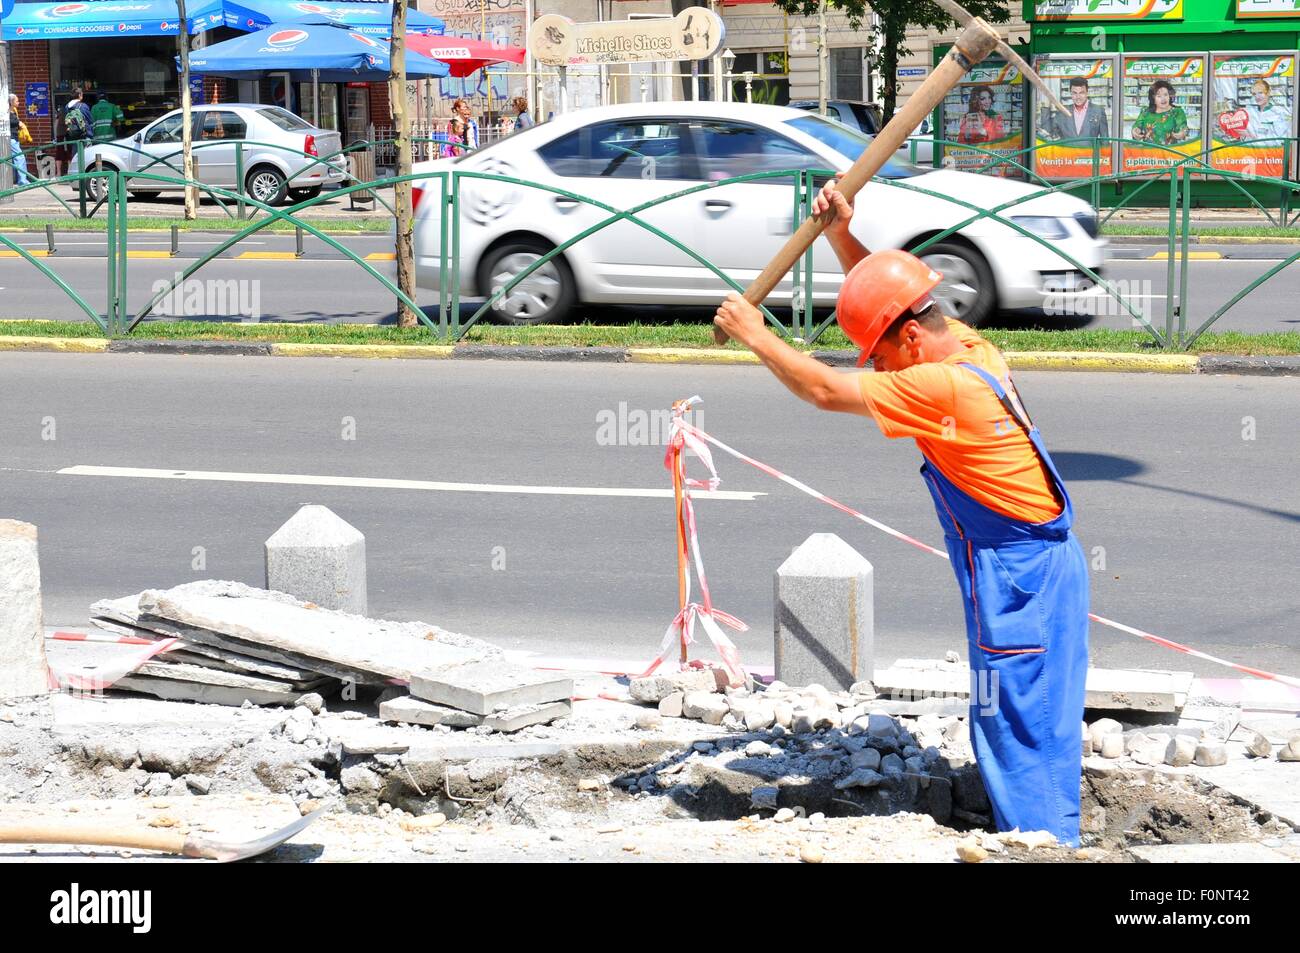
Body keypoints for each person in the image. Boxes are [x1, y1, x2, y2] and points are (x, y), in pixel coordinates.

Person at [711, 178, 1090, 847]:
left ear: (912, 338)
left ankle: (1042, 847)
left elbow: (826, 390)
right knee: (1032, 713)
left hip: (1019, 573)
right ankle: (1040, 831)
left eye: (882, 356)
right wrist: (840, 234)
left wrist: (754, 332)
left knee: (1017, 719)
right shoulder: (965, 347)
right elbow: (888, 299)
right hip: (1036, 564)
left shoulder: (943, 388)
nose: (880, 368)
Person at [1040, 76, 1108, 141]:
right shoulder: (1063, 112)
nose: (1078, 97)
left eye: (1081, 93)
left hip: (1090, 152)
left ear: (1087, 92)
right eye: (1074, 93)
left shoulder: (1098, 111)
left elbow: (1105, 141)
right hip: (1066, 152)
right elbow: (1048, 133)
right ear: (1070, 93)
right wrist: (1045, 106)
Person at [1131, 80, 1189, 146]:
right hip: (1148, 153)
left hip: (1169, 153)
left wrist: (1181, 133)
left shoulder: (1176, 112)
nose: (1163, 99)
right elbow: (1137, 125)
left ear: (1170, 96)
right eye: (1159, 96)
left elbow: (1183, 127)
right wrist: (1135, 132)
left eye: (1165, 95)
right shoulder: (1145, 112)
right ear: (1153, 99)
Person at [8, 94, 33, 188]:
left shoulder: (13, 111)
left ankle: (17, 179)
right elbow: (8, 122)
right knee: (20, 157)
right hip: (10, 138)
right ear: (11, 102)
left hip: (15, 137)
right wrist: (19, 123)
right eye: (17, 101)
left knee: (15, 159)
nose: (18, 102)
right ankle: (22, 180)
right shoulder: (6, 112)